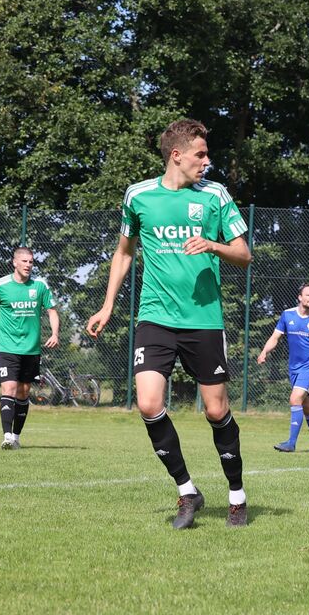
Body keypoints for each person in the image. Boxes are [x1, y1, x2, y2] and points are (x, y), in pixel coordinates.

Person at [86, 118, 252, 529]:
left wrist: (213, 245)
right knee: (148, 403)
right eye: (200, 154)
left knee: (216, 411)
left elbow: (244, 254)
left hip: (204, 320)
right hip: (155, 317)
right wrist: (108, 306)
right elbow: (123, 253)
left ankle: (237, 496)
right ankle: (187, 491)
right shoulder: (138, 196)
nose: (206, 161)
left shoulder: (215, 196)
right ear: (176, 155)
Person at [0, 246, 59, 449]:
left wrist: (54, 333)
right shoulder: (0, 286)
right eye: (24, 261)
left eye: (31, 262)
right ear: (14, 262)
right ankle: (7, 437)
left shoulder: (40, 286)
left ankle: (16, 437)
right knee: (9, 388)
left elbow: (52, 310)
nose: (28, 265)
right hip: (6, 348)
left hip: (31, 350)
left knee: (24, 393)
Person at [256, 283, 309, 453]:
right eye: (308, 294)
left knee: (295, 399)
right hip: (293, 368)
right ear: (300, 297)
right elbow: (275, 337)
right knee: (307, 406)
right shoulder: (287, 315)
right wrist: (264, 352)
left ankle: (291, 443)